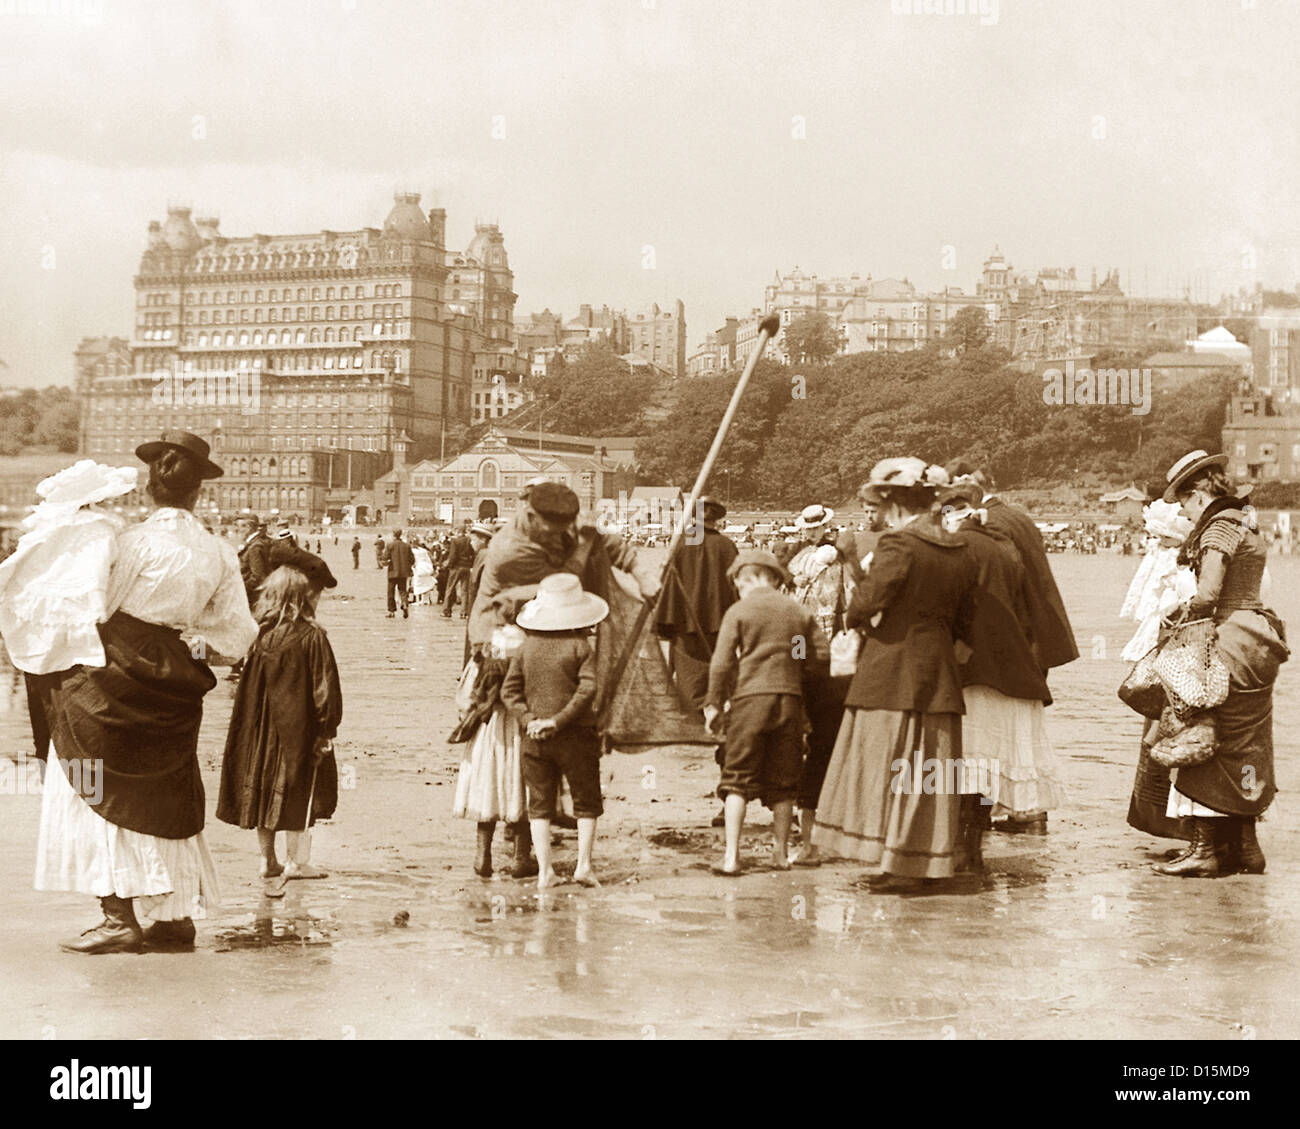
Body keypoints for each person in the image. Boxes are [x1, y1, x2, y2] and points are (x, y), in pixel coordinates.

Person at [27, 431, 258, 953]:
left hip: (114, 673)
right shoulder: (218, 552)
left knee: (94, 782)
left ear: (149, 488)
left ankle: (118, 916)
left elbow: (92, 607)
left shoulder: (128, 543)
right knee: (165, 791)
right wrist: (191, 651)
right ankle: (175, 918)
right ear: (199, 492)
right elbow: (239, 636)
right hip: (173, 677)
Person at [456, 480, 657, 879]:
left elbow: (605, 544)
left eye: (567, 528)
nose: (562, 535)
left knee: (517, 752)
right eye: (553, 529)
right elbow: (564, 584)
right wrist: (588, 556)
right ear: (530, 514)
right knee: (515, 753)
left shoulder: (566, 525)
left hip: (542, 641)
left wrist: (642, 573)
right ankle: (518, 851)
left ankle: (516, 842)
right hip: (501, 647)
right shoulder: (509, 550)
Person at [811, 458, 978, 890]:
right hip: (938, 672)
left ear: (893, 502)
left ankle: (893, 865)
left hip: (892, 670)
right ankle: (925, 862)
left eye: (879, 502)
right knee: (929, 770)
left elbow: (863, 605)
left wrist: (854, 567)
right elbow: (967, 620)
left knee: (885, 765)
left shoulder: (897, 545)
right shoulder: (959, 548)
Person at [1153, 451, 1288, 878]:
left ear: (1198, 496)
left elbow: (1210, 594)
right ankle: (1246, 850)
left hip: (1228, 639)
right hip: (1261, 640)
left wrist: (1177, 613)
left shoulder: (1218, 529)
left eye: (1185, 505)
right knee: (1247, 743)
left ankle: (1204, 851)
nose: (1186, 514)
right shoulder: (1246, 521)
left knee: (1206, 735)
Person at [939, 479, 1062, 846]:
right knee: (993, 757)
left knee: (967, 758)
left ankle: (962, 850)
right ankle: (978, 844)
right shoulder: (1003, 535)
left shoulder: (963, 546)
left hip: (975, 668)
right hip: (1017, 660)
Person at [217, 544, 341, 890]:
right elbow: (324, 689)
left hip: (260, 730)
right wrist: (327, 729)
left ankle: (266, 859)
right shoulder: (313, 636)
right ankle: (296, 862)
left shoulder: (260, 634)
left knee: (263, 787)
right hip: (298, 729)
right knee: (300, 787)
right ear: (304, 598)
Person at [0, 460, 139, 767]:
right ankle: (81, 792)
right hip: (86, 637)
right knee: (82, 730)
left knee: (44, 720)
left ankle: (49, 780)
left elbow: (7, 577)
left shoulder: (43, 531)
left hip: (35, 635)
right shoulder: (103, 531)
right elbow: (109, 585)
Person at [704, 550, 819, 876]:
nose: (737, 587)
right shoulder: (797, 613)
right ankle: (780, 854)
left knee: (736, 780)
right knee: (784, 783)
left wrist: (713, 703)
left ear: (749, 578)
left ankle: (731, 857)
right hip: (789, 702)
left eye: (738, 581)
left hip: (751, 701)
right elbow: (812, 659)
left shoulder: (739, 612)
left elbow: (721, 663)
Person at [501, 574, 609, 890]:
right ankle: (584, 866)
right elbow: (588, 689)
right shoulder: (581, 648)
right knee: (586, 801)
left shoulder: (525, 648)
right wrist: (559, 721)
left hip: (533, 738)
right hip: (575, 736)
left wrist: (530, 720)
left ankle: (546, 871)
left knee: (539, 803)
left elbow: (510, 692)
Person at [783, 502, 864, 865]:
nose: (812, 532)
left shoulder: (806, 560)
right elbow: (852, 606)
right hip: (826, 656)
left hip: (811, 653)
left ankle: (808, 832)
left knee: (812, 740)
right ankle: (824, 827)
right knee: (825, 740)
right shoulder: (831, 561)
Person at [946, 460, 1078, 675]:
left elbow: (996, 585)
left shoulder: (985, 524)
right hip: (1040, 631)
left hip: (1014, 635)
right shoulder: (1019, 517)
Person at [1121, 497, 1197, 842]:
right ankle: (1159, 816)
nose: (1158, 546)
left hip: (1181, 659)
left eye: (1166, 540)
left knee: (1169, 735)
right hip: (1169, 658)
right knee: (1160, 734)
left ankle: (1173, 820)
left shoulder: (1186, 567)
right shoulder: (1176, 563)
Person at [654, 495, 738, 711]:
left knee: (690, 674)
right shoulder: (727, 546)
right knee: (718, 667)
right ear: (715, 519)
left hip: (683, 619)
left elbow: (666, 583)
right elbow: (735, 586)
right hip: (719, 621)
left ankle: (693, 713)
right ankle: (716, 708)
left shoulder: (680, 544)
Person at [442, 523, 476, 618]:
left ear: (458, 531)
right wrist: (470, 563)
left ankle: (447, 610)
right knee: (465, 591)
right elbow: (473, 554)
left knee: (450, 588)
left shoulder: (455, 541)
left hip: (456, 567)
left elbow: (453, 555)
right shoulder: (469, 540)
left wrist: (449, 565)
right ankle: (464, 612)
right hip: (466, 567)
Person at [385, 529, 415, 618]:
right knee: (402, 590)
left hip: (392, 572)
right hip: (403, 573)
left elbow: (385, 557)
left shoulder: (390, 545)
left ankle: (391, 611)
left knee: (390, 592)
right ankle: (404, 603)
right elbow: (412, 559)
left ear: (393, 535)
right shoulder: (406, 546)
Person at [411, 539, 437, 606]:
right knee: (426, 583)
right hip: (426, 567)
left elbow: (412, 560)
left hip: (418, 567)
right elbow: (429, 559)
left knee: (417, 584)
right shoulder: (424, 550)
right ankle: (426, 600)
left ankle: (418, 600)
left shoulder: (413, 551)